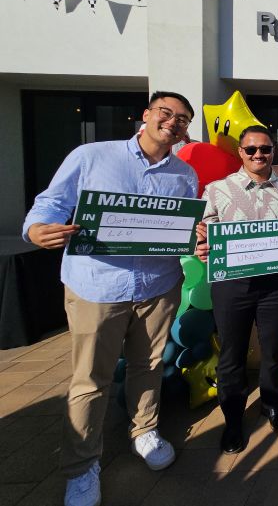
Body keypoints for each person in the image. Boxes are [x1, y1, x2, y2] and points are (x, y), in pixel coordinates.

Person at [22, 92, 198, 506]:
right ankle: (81, 467)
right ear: (146, 114)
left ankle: (145, 431)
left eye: (182, 119)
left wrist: (199, 235)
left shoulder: (185, 175)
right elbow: (51, 203)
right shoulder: (91, 156)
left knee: (149, 365)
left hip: (157, 285)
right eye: (166, 113)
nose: (173, 122)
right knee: (90, 379)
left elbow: (180, 229)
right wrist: (36, 229)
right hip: (97, 286)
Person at [194, 125, 278, 454]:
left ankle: (272, 403)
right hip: (231, 286)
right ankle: (233, 417)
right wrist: (201, 247)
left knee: (272, 349)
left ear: (273, 151)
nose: (259, 154)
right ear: (241, 153)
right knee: (232, 353)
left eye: (265, 149)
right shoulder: (216, 190)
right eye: (251, 149)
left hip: (275, 284)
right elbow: (201, 236)